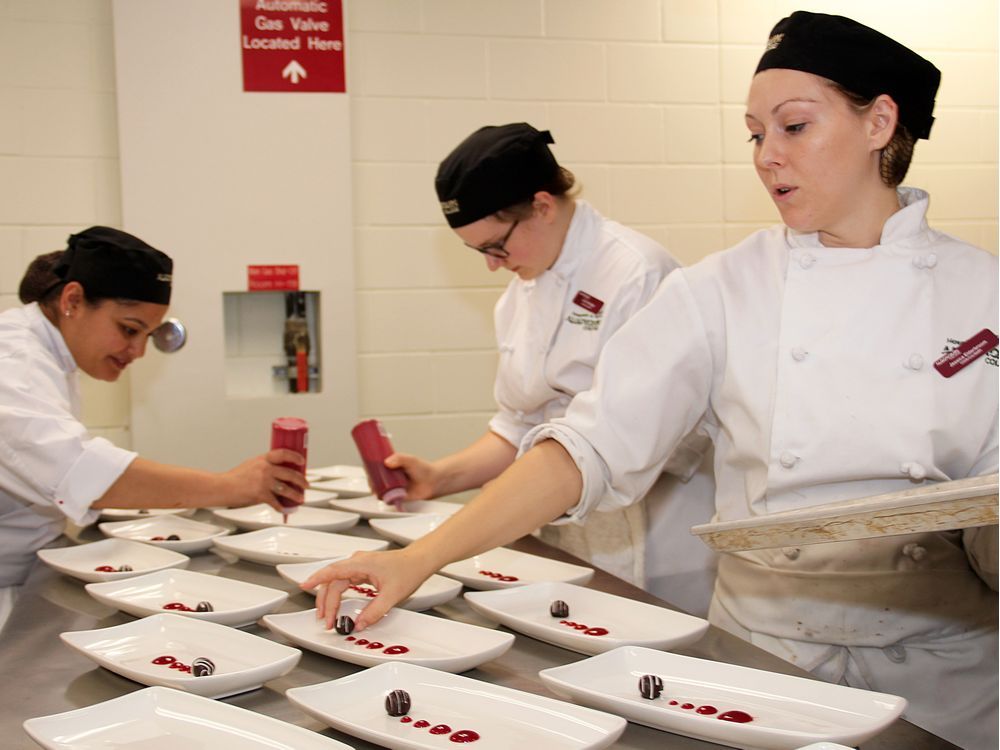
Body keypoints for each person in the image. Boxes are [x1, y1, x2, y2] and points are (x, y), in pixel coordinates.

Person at [305, 12, 998, 749]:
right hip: (767, 661)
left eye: (794, 126)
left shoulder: (982, 294)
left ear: (879, 123)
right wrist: (418, 558)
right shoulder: (721, 290)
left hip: (944, 674)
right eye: (755, 135)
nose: (767, 156)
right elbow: (586, 447)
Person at [383, 123, 717, 613]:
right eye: (478, 252)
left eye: (496, 246)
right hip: (562, 517)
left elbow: (615, 443)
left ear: (542, 206)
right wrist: (439, 477)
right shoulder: (522, 291)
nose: (492, 265)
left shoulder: (637, 273)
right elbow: (521, 425)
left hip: (653, 531)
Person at [0, 226, 308, 631]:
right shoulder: (14, 362)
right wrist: (232, 486)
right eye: (129, 329)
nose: (139, 351)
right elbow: (82, 474)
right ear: (73, 300)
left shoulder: (48, 354)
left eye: (149, 334)